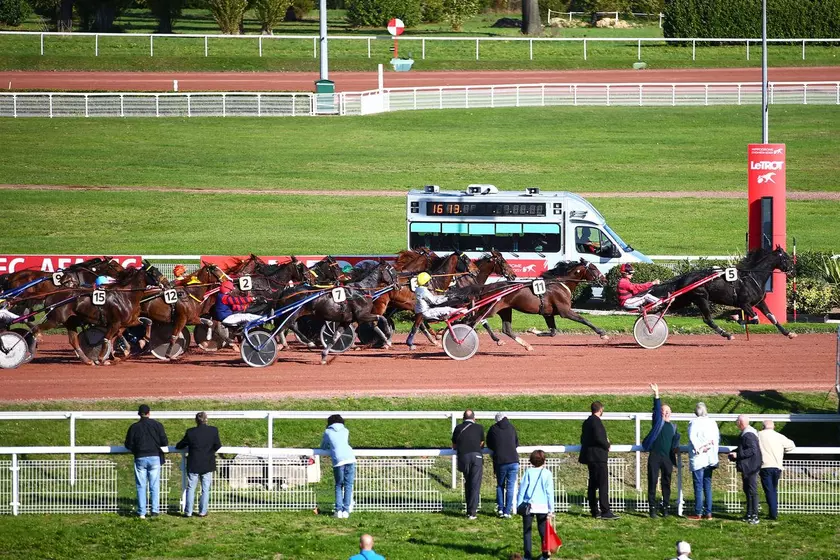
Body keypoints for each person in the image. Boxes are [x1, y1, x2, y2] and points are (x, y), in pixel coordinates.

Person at [642, 383, 680, 518]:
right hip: (655, 456)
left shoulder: (673, 427)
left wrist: (675, 449)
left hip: (667, 458)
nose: (666, 413)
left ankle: (665, 508)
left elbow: (674, 443)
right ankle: (652, 509)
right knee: (652, 482)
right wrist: (656, 394)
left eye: (668, 411)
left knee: (666, 483)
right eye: (664, 411)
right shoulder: (658, 422)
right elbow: (657, 409)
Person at [124, 404, 168, 518]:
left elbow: (128, 444)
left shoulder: (134, 427)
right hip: (154, 457)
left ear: (139, 414)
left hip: (140, 458)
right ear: (149, 413)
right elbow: (164, 442)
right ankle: (154, 511)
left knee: (141, 486)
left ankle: (142, 512)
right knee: (154, 485)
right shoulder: (157, 425)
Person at [176, 411, 222, 518]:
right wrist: (209, 452)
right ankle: (202, 511)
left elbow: (180, 445)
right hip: (207, 463)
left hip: (194, 463)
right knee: (205, 489)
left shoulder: (190, 432)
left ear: (196, 420)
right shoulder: (213, 430)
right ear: (206, 419)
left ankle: (188, 512)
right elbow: (218, 445)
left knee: (191, 488)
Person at [579, 401, 618, 519]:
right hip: (599, 457)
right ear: (601, 410)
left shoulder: (587, 422)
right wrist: (607, 445)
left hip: (590, 457)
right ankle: (605, 511)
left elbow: (583, 439)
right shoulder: (596, 422)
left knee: (592, 485)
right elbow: (599, 438)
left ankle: (594, 511)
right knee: (602, 485)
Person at [516, 450, 554, 560]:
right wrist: (551, 509)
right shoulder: (547, 473)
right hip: (543, 507)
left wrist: (519, 504)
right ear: (544, 460)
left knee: (527, 532)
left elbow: (522, 489)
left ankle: (527, 556)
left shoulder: (528, 472)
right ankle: (545, 555)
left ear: (531, 461)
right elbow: (549, 493)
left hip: (528, 506)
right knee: (543, 532)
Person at [687, 402, 719, 520]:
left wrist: (699, 449)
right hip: (710, 458)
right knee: (707, 485)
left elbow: (692, 437)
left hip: (699, 458)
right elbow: (716, 438)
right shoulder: (712, 422)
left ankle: (698, 512)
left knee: (698, 486)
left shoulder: (694, 423)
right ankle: (708, 513)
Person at [758, 419, 795, 521]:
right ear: (773, 427)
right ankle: (773, 511)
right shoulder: (779, 436)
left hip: (765, 466)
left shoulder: (759, 435)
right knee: (774, 490)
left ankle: (773, 513)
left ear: (763, 427)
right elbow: (791, 445)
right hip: (777, 467)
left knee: (769, 490)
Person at [728, 414, 763, 524]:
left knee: (752, 491)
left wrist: (738, 455)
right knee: (747, 490)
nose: (736, 423)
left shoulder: (748, 435)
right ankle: (749, 513)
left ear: (740, 423)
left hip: (751, 467)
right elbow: (745, 448)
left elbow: (752, 450)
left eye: (737, 422)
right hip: (749, 466)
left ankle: (755, 515)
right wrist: (735, 452)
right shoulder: (748, 433)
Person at [321, 414, 356, 519]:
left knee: (339, 485)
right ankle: (346, 511)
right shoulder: (345, 431)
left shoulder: (328, 432)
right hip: (350, 458)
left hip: (338, 460)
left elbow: (323, 446)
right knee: (348, 485)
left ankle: (338, 510)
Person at [452, 409, 484, 520]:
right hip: (477, 457)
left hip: (464, 457)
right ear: (474, 418)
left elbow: (454, 445)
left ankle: (469, 510)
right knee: (475, 484)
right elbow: (481, 444)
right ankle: (472, 512)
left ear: (463, 418)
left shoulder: (458, 428)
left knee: (468, 483)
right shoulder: (479, 428)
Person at [487, 412, 520, 518]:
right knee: (510, 487)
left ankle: (500, 509)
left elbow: (489, 444)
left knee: (500, 485)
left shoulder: (493, 429)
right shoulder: (512, 428)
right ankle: (507, 511)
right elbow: (516, 443)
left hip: (500, 461)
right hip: (513, 460)